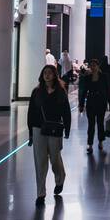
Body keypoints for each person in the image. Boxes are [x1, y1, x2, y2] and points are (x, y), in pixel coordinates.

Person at [28, 65, 71, 204]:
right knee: (40, 161)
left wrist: (67, 129)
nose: (47, 75)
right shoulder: (37, 92)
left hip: (55, 129)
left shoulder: (60, 92)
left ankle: (60, 178)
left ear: (54, 75)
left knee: (54, 159)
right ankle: (40, 193)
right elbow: (31, 113)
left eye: (50, 73)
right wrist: (30, 133)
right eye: (45, 73)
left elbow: (66, 112)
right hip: (38, 129)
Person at [79, 58, 110, 153]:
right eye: (91, 66)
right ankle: (90, 144)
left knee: (100, 123)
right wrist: (81, 104)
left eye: (95, 65)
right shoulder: (87, 78)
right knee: (91, 124)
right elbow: (84, 92)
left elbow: (108, 91)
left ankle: (100, 142)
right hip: (91, 102)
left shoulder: (104, 77)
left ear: (98, 66)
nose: (93, 67)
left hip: (101, 102)